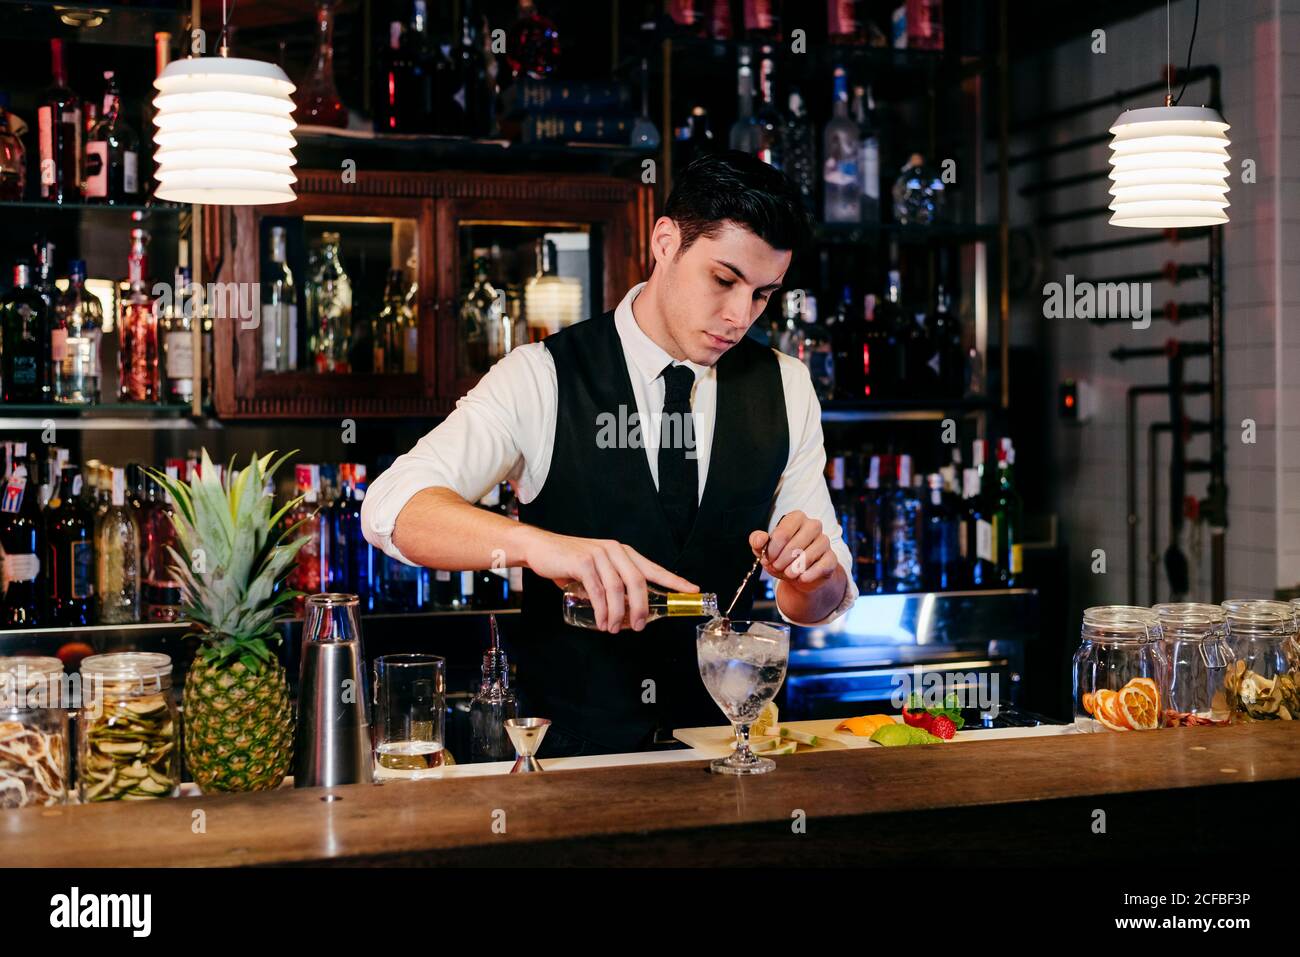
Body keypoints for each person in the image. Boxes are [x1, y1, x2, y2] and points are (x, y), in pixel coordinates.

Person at [362, 150, 857, 756]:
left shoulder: (785, 385)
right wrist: (541, 547)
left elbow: (816, 605)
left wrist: (815, 571)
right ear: (666, 242)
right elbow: (390, 508)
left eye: (763, 295)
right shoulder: (542, 376)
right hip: (572, 761)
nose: (738, 316)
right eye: (723, 280)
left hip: (728, 754)